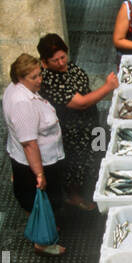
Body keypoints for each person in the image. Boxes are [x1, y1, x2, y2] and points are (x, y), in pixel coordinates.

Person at [37, 34, 118, 211]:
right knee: (75, 163)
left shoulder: (67, 67)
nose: (60, 62)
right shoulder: (50, 80)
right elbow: (81, 103)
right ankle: (74, 195)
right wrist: (108, 87)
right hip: (71, 129)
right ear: (44, 62)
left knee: (97, 147)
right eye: (54, 60)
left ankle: (98, 175)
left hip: (90, 121)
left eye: (62, 57)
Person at [2, 54, 66, 256]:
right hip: (38, 162)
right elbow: (29, 143)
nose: (40, 80)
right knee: (39, 199)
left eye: (40, 74)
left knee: (39, 200)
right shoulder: (23, 103)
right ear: (20, 78)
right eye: (34, 77)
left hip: (33, 159)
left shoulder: (16, 89)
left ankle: (46, 225)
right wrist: (39, 174)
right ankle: (43, 242)